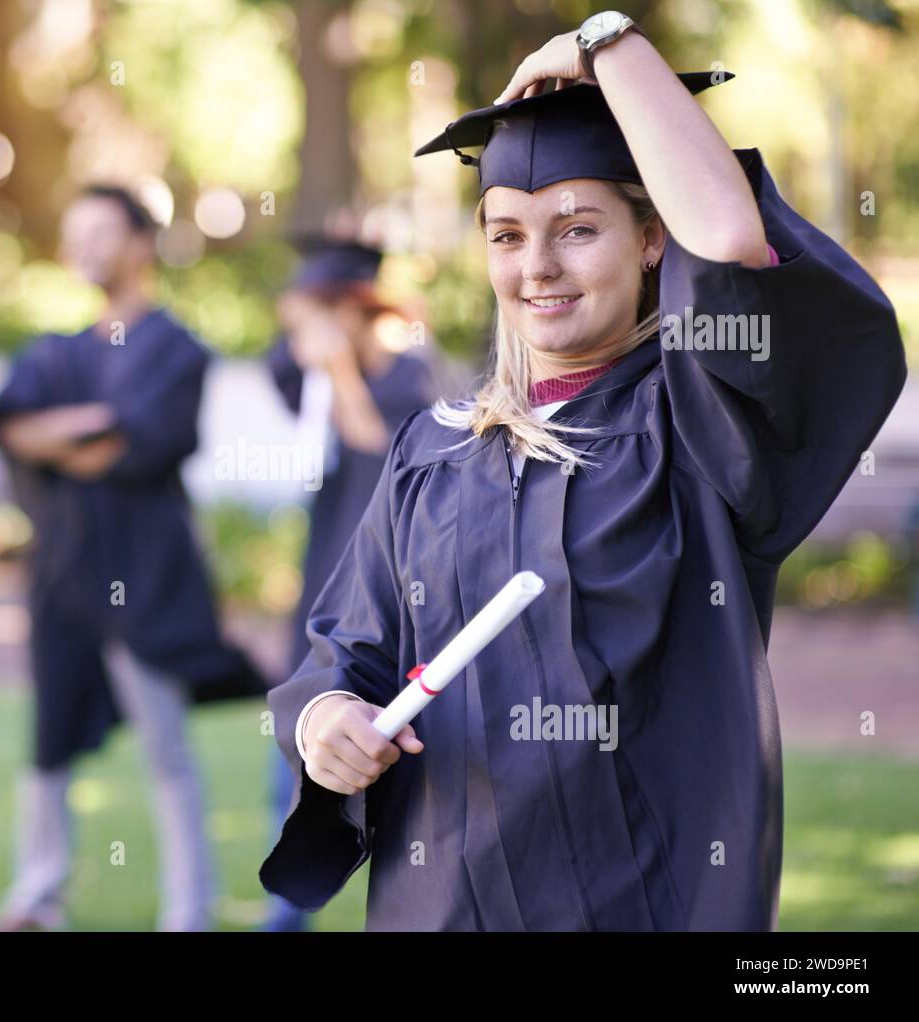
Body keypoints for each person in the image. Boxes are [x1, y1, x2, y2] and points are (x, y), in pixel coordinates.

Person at [259, 17, 906, 931]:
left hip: (641, 900)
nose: (538, 267)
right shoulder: (433, 452)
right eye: (507, 235)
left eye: (578, 228)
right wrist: (326, 723)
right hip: (444, 902)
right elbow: (346, 653)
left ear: (651, 240)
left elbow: (726, 241)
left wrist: (608, 46)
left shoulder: (696, 424)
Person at [0, 185, 265, 932]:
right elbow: (5, 426)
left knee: (166, 748)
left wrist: (55, 435)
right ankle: (35, 900)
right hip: (63, 571)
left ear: (141, 242)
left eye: (101, 230)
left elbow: (121, 450)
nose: (85, 246)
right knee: (49, 740)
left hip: (146, 578)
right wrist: (81, 429)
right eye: (75, 233)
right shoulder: (54, 352)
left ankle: (188, 911)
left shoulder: (176, 349)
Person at [260, 237, 435, 930]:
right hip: (318, 590)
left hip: (384, 600)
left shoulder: (409, 378)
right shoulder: (310, 378)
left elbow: (381, 450)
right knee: (297, 737)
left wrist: (340, 366)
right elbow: (280, 364)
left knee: (381, 762)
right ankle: (286, 908)